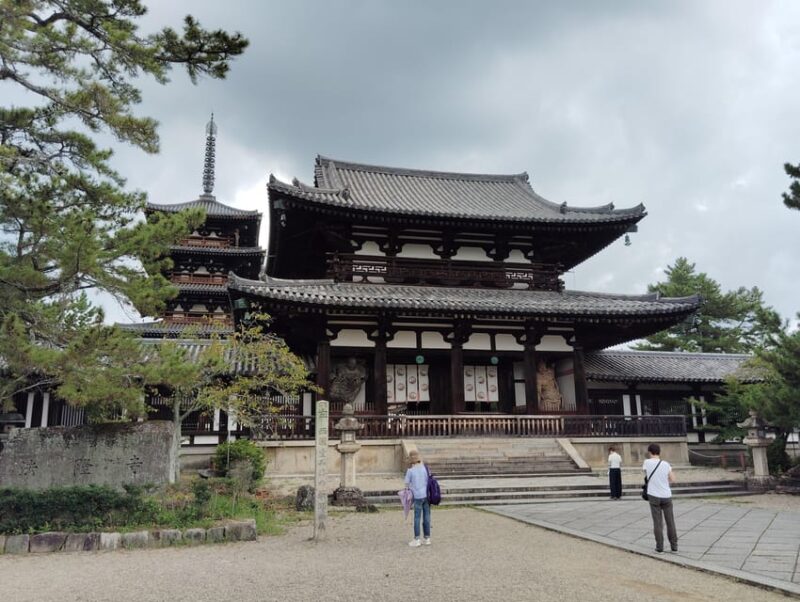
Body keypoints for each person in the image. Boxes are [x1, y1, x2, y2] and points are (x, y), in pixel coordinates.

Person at [643, 443, 678, 553]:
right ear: (659, 452)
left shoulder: (647, 462)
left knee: (657, 522)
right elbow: (673, 479)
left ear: (650, 452)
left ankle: (659, 547)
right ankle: (674, 546)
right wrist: (664, 481)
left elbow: (646, 474)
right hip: (666, 494)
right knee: (670, 521)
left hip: (653, 494)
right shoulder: (666, 464)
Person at [404, 450, 431, 547]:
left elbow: (406, 484)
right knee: (427, 517)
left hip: (417, 496)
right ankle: (427, 538)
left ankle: (417, 539)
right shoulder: (425, 468)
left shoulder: (410, 471)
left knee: (417, 517)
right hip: (426, 495)